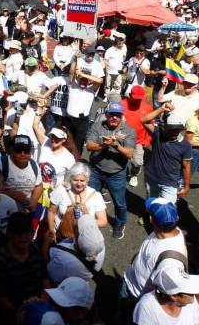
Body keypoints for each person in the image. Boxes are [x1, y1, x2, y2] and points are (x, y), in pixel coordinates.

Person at [85, 101, 136, 239]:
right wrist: (103, 144)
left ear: (122, 116)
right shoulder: (97, 126)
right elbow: (89, 146)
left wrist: (116, 145)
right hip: (96, 170)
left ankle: (119, 224)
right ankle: (89, 220)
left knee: (119, 203)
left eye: (118, 115)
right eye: (112, 114)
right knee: (89, 198)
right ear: (106, 114)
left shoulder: (129, 131)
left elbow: (130, 154)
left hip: (116, 174)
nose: (114, 117)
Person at [123, 198, 188, 299]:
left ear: (150, 219)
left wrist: (137, 302)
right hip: (130, 278)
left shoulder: (171, 262)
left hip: (135, 294)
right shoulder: (169, 230)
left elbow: (168, 293)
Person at [47, 162, 108, 244]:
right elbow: (51, 211)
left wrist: (85, 221)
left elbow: (103, 221)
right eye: (75, 180)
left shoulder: (96, 196)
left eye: (82, 180)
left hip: (84, 239)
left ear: (87, 180)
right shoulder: (61, 190)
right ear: (70, 179)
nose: (79, 184)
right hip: (60, 235)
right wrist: (51, 230)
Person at [142, 104, 192, 203]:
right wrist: (161, 109)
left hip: (169, 184)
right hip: (151, 178)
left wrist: (186, 186)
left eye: (177, 129)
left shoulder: (185, 145)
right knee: (152, 205)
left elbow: (186, 167)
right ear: (165, 127)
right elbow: (144, 120)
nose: (175, 132)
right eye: (172, 129)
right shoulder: (158, 134)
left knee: (168, 209)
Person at [48, 214, 106, 284]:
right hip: (82, 280)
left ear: (78, 238)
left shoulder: (64, 260)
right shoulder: (100, 246)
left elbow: (51, 273)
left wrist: (45, 245)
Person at [121, 85, 153, 188]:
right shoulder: (122, 104)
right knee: (118, 159)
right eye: (135, 98)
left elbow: (150, 124)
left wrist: (147, 140)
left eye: (140, 99)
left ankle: (134, 175)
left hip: (138, 140)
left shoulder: (147, 107)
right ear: (130, 95)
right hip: (122, 137)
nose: (137, 101)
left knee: (137, 162)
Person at [0, 134, 40, 212]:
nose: (22, 154)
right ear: (11, 150)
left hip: (26, 214)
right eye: (18, 150)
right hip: (5, 213)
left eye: (26, 151)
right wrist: (16, 195)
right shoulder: (1, 165)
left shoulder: (34, 165)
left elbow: (38, 185)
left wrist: (33, 203)